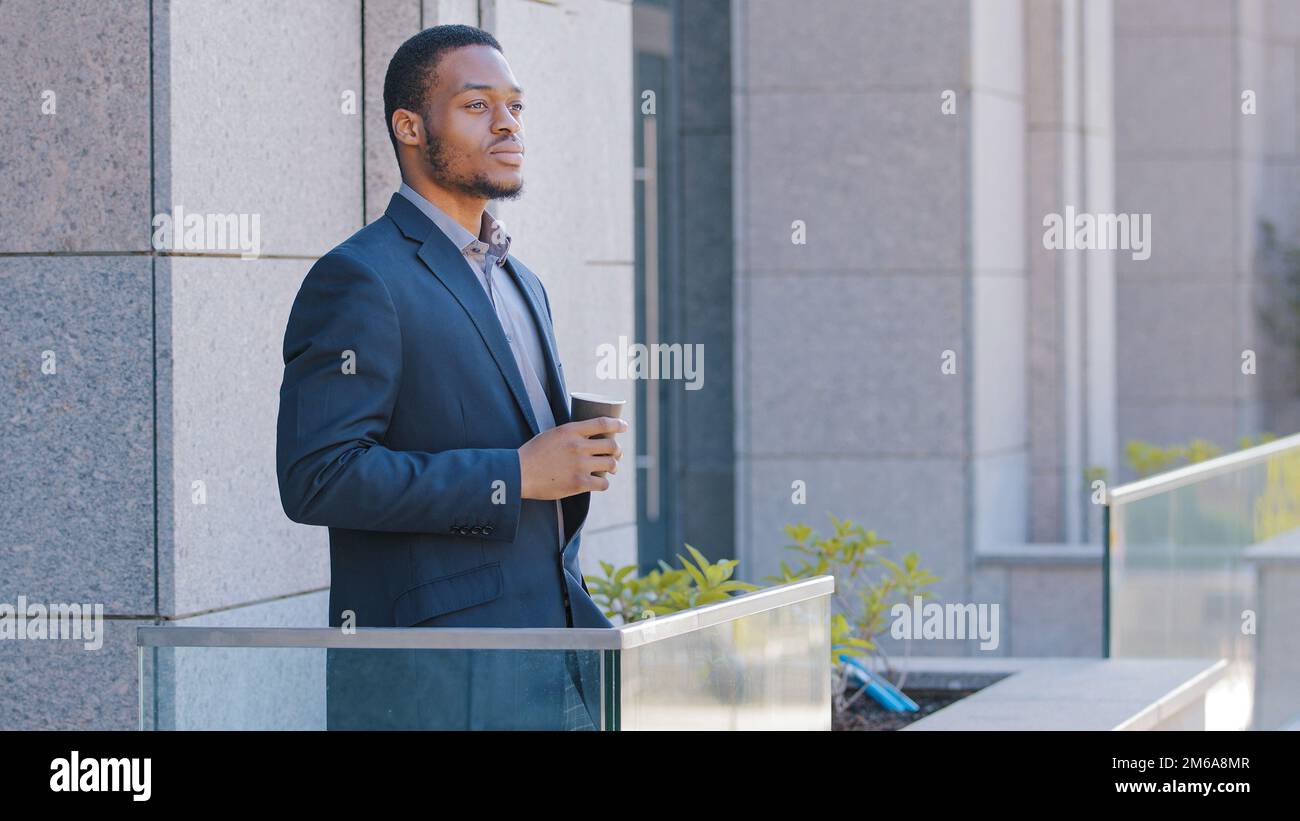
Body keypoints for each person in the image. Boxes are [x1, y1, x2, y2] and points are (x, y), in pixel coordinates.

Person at [275, 23, 624, 730]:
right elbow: (318, 475)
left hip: (555, 665)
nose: (508, 124)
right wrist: (514, 474)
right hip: (438, 686)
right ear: (410, 126)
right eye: (477, 106)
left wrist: (572, 458)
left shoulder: (525, 283)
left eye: (516, 107)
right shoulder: (360, 277)